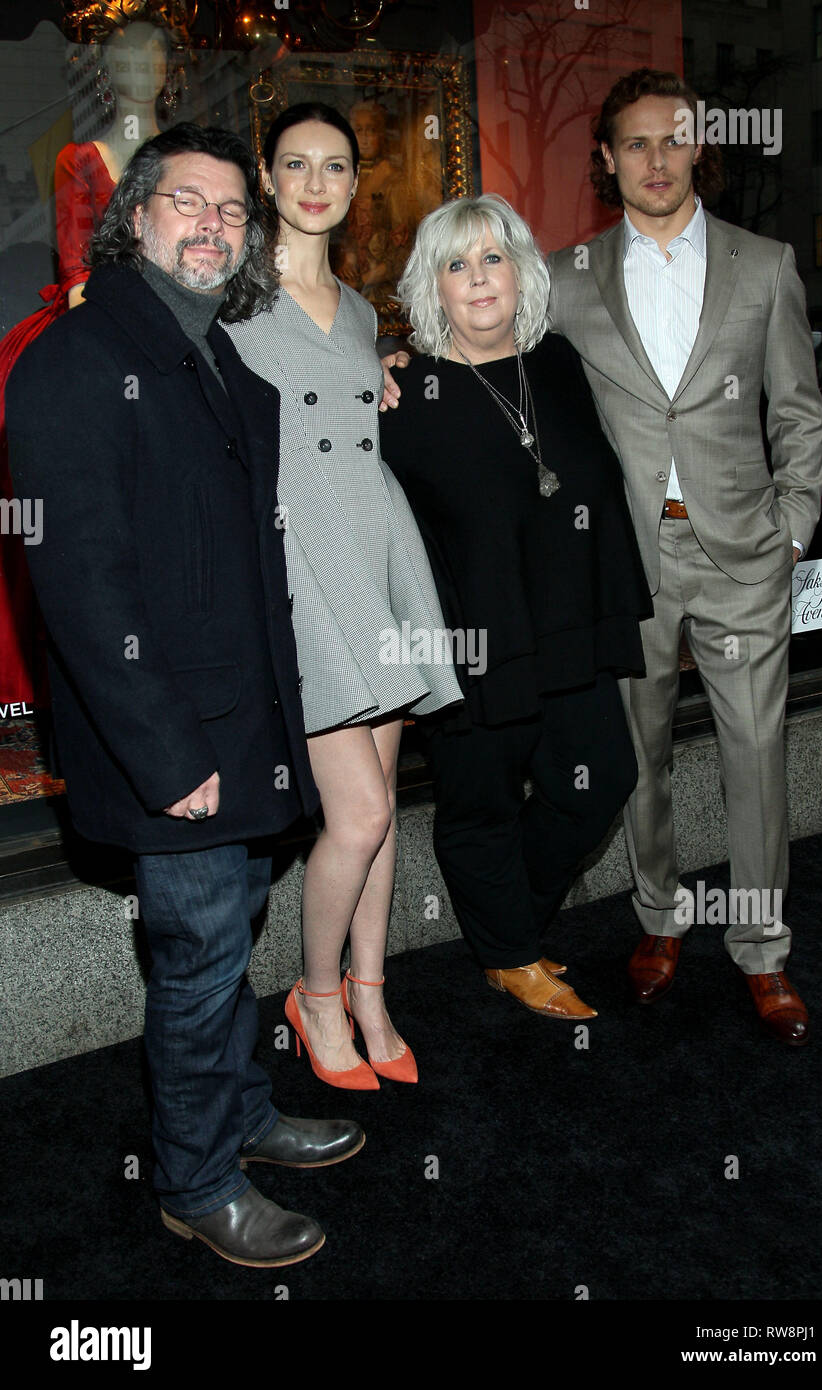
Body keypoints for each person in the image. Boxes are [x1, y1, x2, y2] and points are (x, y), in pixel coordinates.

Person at [6, 123, 365, 1268]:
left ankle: (242, 1112)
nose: (212, 224)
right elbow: (77, 579)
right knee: (199, 959)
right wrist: (168, 758)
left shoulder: (208, 351)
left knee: (231, 941)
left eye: (228, 211)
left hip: (238, 724)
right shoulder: (78, 359)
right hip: (172, 743)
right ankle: (195, 1181)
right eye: (186, 205)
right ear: (135, 220)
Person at [547, 68, 822, 1045]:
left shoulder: (764, 264)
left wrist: (791, 528)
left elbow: (796, 410)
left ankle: (761, 949)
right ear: (607, 158)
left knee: (755, 756)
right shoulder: (565, 279)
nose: (654, 160)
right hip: (627, 558)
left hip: (744, 553)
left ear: (696, 148)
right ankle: (657, 919)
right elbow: (514, 391)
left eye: (672, 140)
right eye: (634, 142)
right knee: (638, 756)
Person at [225, 103, 462, 1088]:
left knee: (385, 810)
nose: (315, 181)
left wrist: (385, 370)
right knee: (355, 816)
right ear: (267, 180)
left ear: (353, 183)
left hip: (378, 552)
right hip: (301, 572)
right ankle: (312, 992)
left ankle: (370, 988)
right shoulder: (229, 309)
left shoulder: (366, 315)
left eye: (334, 165)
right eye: (294, 164)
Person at [378, 193, 652, 1019]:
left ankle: (508, 930)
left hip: (569, 625)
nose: (478, 279)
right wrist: (374, 355)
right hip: (475, 640)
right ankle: (510, 954)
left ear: (522, 269)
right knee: (481, 802)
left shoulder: (558, 363)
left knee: (601, 777)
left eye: (492, 257)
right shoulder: (399, 394)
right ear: (434, 288)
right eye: (456, 265)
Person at [0, 12, 182, 705]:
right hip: (100, 324)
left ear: (168, 70)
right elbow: (80, 273)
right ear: (105, 72)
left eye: (152, 58)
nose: (140, 70)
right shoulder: (79, 161)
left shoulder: (190, 158)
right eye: (125, 58)